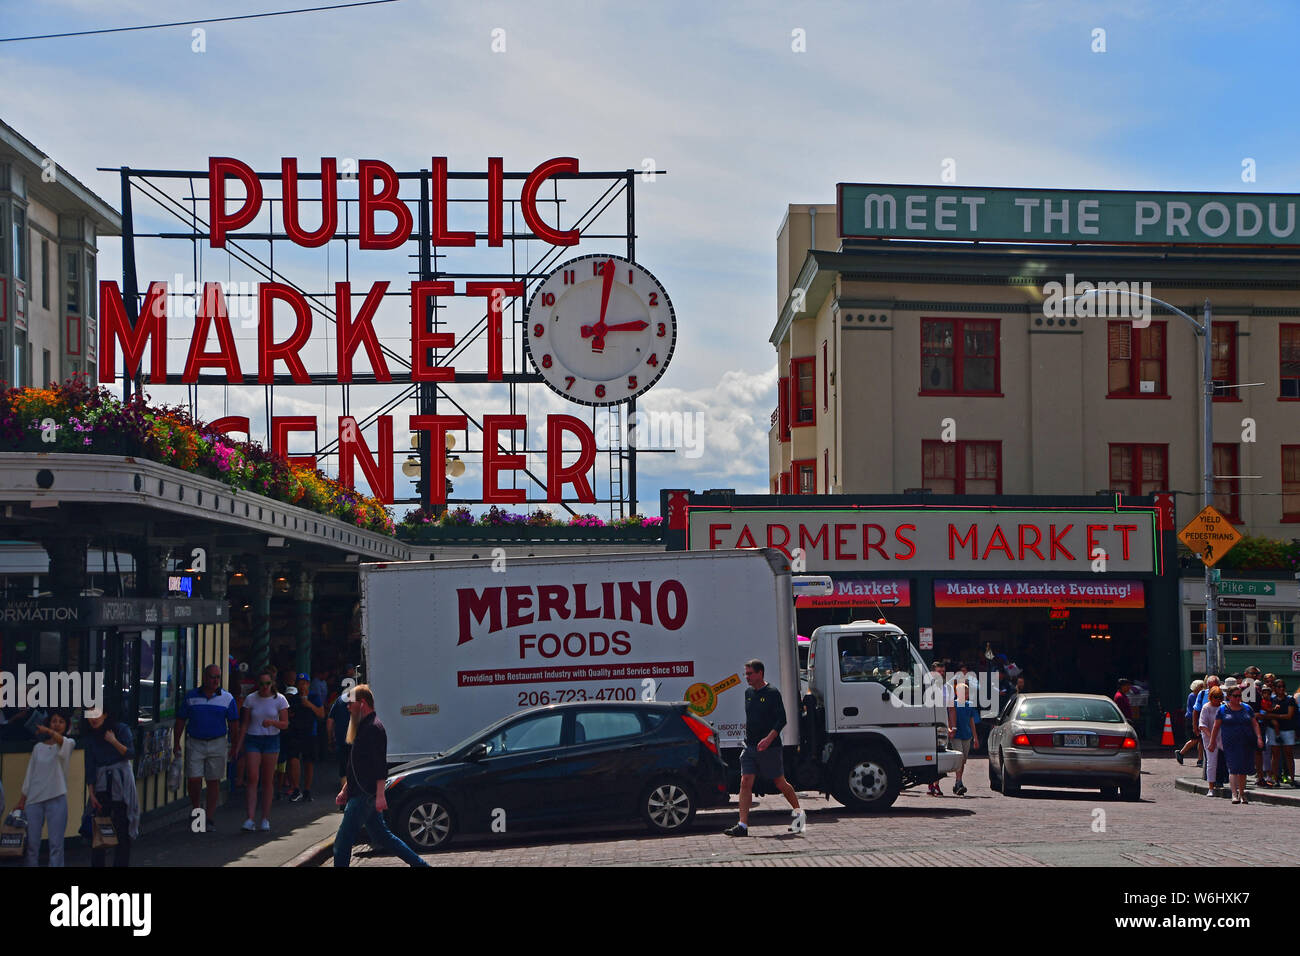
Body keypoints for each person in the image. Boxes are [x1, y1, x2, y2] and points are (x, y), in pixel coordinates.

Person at [333, 685, 430, 868]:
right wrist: (345, 789)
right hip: (362, 793)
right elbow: (355, 765)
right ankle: (420, 865)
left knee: (342, 842)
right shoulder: (363, 726)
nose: (348, 707)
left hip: (364, 795)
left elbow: (379, 766)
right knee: (383, 836)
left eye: (350, 703)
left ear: (362, 704)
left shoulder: (374, 728)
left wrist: (380, 795)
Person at [724, 659, 804, 836]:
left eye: (750, 673)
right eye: (746, 674)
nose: (747, 677)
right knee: (745, 782)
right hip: (750, 747)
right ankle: (742, 826)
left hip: (770, 748)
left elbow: (781, 719)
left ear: (760, 673)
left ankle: (799, 816)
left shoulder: (772, 693)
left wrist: (768, 739)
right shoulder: (748, 693)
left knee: (780, 783)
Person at [175, 664, 240, 830]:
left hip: (218, 742)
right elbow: (181, 720)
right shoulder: (191, 697)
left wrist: (234, 745)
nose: (216, 680)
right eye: (212, 677)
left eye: (218, 677)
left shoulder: (227, 698)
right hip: (195, 742)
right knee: (194, 779)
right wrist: (176, 742)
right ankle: (196, 810)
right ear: (204, 678)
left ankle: (209, 818)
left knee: (213, 780)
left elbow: (233, 724)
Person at [16, 711, 74, 866]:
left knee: (56, 845)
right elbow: (30, 776)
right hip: (34, 800)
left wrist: (48, 731)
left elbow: (61, 741)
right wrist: (22, 800)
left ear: (67, 725)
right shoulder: (38, 748)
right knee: (32, 845)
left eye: (61, 721)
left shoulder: (68, 743)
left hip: (57, 798)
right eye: (54, 721)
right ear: (49, 723)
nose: (57, 724)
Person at [84, 708, 138, 867]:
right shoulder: (90, 737)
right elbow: (89, 767)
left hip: (120, 782)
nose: (93, 719)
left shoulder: (121, 729)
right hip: (101, 783)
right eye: (89, 715)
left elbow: (131, 753)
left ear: (105, 714)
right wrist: (91, 794)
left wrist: (113, 741)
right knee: (100, 828)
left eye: (96, 714)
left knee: (122, 828)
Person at [236, 668, 288, 832]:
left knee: (267, 779)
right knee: (252, 777)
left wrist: (272, 723)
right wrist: (238, 746)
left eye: (267, 683)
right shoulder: (251, 699)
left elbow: (285, 724)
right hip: (253, 738)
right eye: (261, 684)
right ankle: (250, 818)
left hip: (271, 739)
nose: (264, 687)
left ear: (272, 683)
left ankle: (265, 817)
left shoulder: (280, 699)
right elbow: (244, 723)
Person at [1208, 682, 1264, 804]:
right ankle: (1234, 794)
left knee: (1243, 769)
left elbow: (1254, 724)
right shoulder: (1222, 710)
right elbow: (1216, 727)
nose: (1238, 698)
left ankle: (1242, 794)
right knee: (1233, 768)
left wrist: (1259, 737)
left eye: (1239, 695)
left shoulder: (1247, 708)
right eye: (1235, 696)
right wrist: (1212, 742)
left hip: (1246, 742)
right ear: (1229, 696)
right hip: (1230, 743)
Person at [286, 673, 324, 802]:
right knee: (293, 758)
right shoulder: (293, 699)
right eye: (300, 683)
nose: (302, 686)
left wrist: (309, 704)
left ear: (308, 684)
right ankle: (296, 788)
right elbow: (288, 713)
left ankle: (307, 789)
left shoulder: (314, 697)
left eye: (304, 683)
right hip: (296, 732)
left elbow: (321, 714)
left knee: (309, 762)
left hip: (310, 733)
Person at [950, 682, 979, 796]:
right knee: (960, 757)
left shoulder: (969, 705)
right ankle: (959, 782)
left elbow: (972, 722)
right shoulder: (953, 704)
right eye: (963, 692)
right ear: (957, 693)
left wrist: (975, 738)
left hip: (967, 736)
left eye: (967, 693)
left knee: (963, 761)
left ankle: (958, 781)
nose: (966, 695)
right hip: (956, 735)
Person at [326, 684, 352, 805]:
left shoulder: (339, 700)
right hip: (357, 740)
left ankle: (345, 798)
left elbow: (330, 721)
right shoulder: (361, 700)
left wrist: (330, 738)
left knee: (343, 769)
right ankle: (353, 796)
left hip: (342, 740)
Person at [1267, 678, 1296, 787]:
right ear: (1274, 688)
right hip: (1273, 729)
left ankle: (1292, 778)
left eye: (1283, 686)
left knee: (1289, 754)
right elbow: (1266, 713)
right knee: (1275, 755)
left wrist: (1275, 716)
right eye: (1279, 686)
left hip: (1287, 729)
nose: (1281, 688)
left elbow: (1289, 716)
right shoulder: (1271, 699)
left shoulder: (1290, 699)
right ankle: (1276, 779)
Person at [1200, 687, 1224, 796]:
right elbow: (1203, 725)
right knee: (1212, 761)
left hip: (1222, 736)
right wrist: (1212, 738)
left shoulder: (1223, 707)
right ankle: (1211, 787)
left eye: (1219, 697)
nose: (1217, 700)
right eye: (1215, 697)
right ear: (1210, 697)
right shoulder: (1206, 708)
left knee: (1230, 759)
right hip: (1208, 737)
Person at [1177, 680, 1205, 766]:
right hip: (1192, 719)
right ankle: (1181, 753)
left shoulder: (1200, 695)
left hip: (1198, 719)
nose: (1202, 688)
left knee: (1201, 740)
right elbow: (1195, 710)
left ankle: (1200, 760)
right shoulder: (1192, 696)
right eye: (1201, 686)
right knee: (1195, 740)